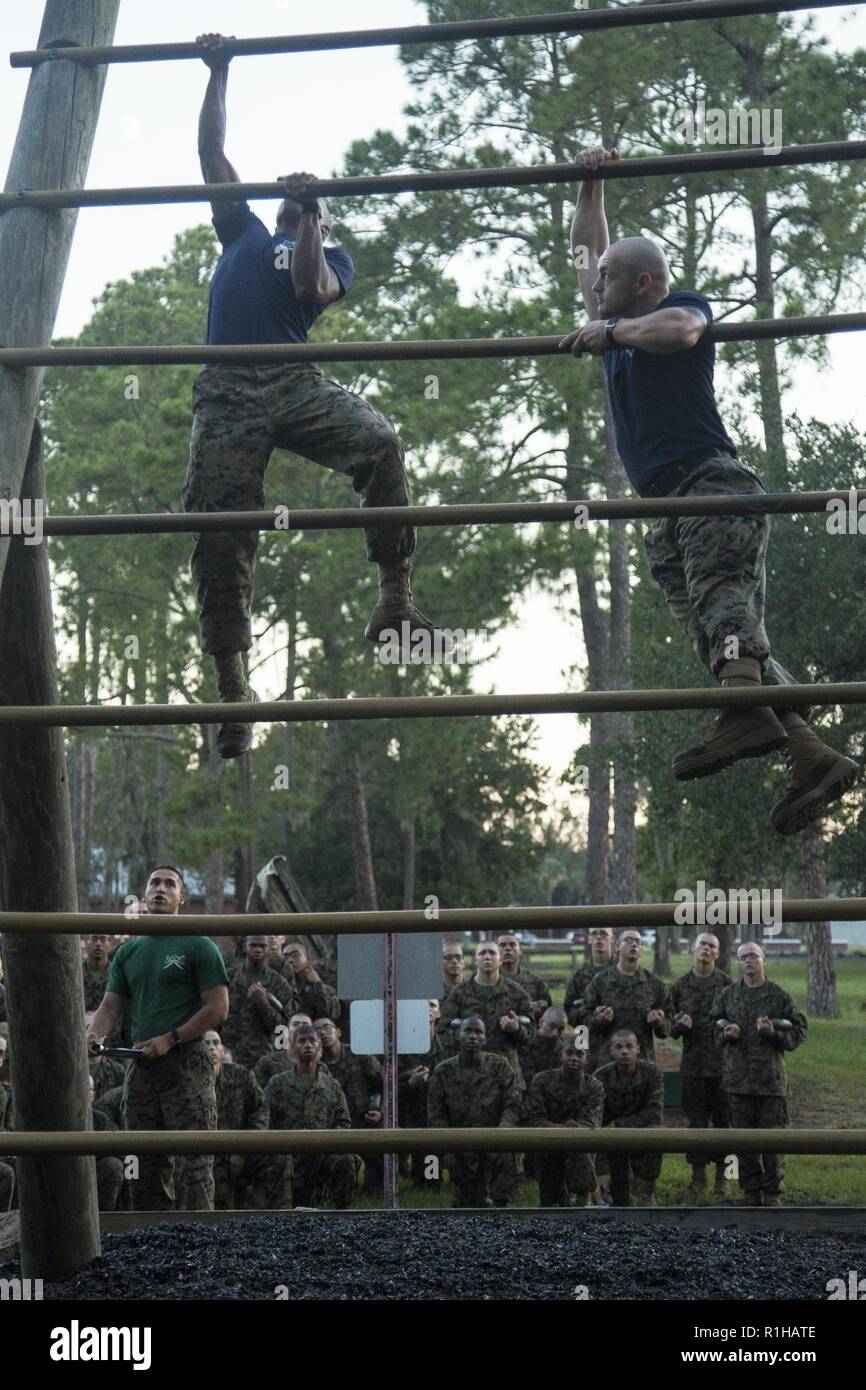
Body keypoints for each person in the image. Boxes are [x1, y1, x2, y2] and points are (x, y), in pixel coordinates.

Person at [562, 143, 858, 834]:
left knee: (726, 609)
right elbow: (585, 253)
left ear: (642, 282)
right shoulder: (613, 319)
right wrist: (589, 184)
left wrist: (609, 329)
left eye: (607, 280)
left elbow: (684, 330)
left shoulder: (671, 308)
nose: (592, 287)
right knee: (719, 632)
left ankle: (742, 718)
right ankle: (808, 752)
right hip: (664, 511)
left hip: (711, 485)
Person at [186, 31, 431, 759]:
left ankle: (395, 600)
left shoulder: (330, 253)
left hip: (293, 382)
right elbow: (209, 155)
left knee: (381, 442)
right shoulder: (241, 233)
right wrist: (219, 71)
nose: (292, 199)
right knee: (218, 526)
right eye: (292, 199)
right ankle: (234, 689)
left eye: (305, 202)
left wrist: (316, 210)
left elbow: (309, 288)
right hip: (228, 392)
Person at [87, 865, 229, 1211]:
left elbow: (218, 1008)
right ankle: (151, 1243)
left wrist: (171, 1038)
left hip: (188, 1063)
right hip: (141, 1067)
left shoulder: (199, 944)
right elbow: (110, 1005)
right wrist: (93, 1035)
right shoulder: (127, 953)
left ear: (182, 897)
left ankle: (200, 1246)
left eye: (170, 884)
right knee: (142, 1163)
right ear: (145, 894)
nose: (160, 889)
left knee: (194, 1166)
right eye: (154, 883)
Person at [712, 941, 807, 1206]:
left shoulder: (778, 996)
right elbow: (713, 1027)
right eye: (742, 957)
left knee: (773, 1140)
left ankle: (773, 1193)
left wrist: (773, 1034)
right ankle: (750, 1191)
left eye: (753, 956)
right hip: (738, 1082)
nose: (747, 961)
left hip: (770, 1082)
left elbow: (799, 1031)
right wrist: (725, 1034)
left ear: (763, 960)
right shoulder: (728, 995)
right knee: (744, 1141)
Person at [428, 1017, 523, 1208]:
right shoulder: (442, 1071)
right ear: (458, 1036)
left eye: (479, 1032)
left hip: (494, 1141)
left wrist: (503, 1131)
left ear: (485, 1039)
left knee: (502, 1171)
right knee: (467, 1204)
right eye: (468, 1031)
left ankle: (501, 1205)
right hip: (457, 1144)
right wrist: (447, 1149)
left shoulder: (501, 1067)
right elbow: (436, 1114)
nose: (473, 1036)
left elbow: (513, 1104)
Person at [264, 1024, 357, 1208]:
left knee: (346, 1160)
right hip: (286, 1154)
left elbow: (343, 1122)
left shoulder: (331, 1086)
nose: (308, 1045)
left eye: (312, 1041)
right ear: (293, 1047)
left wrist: (328, 1144)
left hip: (321, 1154)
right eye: (302, 1041)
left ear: (320, 1048)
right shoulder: (277, 1084)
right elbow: (266, 1119)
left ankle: (342, 1216)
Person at [670, 932, 732, 1198]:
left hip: (723, 1068)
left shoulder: (728, 985)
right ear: (693, 949)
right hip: (693, 1066)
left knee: (725, 1126)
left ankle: (725, 1178)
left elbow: (737, 1021)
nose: (706, 949)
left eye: (712, 946)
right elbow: (667, 1028)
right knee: (695, 1124)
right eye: (702, 944)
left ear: (717, 953)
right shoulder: (680, 986)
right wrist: (677, 1026)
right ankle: (698, 1178)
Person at [203, 1030, 285, 1209]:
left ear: (222, 1049)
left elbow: (260, 1109)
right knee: (220, 1193)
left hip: (243, 1149)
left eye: (215, 1043)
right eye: (206, 1043)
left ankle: (268, 1216)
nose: (211, 1048)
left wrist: (243, 1149)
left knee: (278, 1158)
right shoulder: (191, 1083)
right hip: (209, 1156)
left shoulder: (241, 1075)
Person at [522, 1035, 604, 1207]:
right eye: (569, 1053)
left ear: (586, 1058)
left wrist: (572, 1132)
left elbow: (591, 1122)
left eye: (579, 1054)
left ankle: (583, 1201)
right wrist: (561, 1129)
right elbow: (533, 1119)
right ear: (561, 1055)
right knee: (550, 1203)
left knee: (582, 1147)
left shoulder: (594, 1086)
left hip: (579, 1145)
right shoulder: (541, 1081)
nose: (574, 1058)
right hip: (547, 1144)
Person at [438, 940, 532, 1077]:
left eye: (492, 953)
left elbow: (532, 1033)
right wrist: (465, 1038)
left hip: (505, 1074)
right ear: (475, 960)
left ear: (500, 960)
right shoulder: (459, 993)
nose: (487, 957)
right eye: (482, 953)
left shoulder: (516, 993)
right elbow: (443, 1031)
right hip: (467, 1074)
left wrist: (516, 1030)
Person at [594, 1029, 664, 1206]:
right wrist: (602, 1169)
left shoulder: (652, 1072)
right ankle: (617, 1193)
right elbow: (597, 1123)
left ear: (638, 1049)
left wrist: (619, 1124)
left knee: (658, 1134)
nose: (624, 1051)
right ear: (611, 1051)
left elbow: (654, 1114)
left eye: (629, 1046)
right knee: (621, 1200)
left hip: (640, 1129)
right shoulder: (601, 1077)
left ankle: (647, 1190)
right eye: (618, 1047)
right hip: (611, 1137)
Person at [583, 929, 671, 1069]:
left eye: (638, 942)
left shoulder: (655, 984)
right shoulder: (600, 982)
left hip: (643, 1065)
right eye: (628, 940)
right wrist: (598, 1021)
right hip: (608, 1065)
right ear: (617, 946)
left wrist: (659, 1023)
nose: (634, 945)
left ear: (642, 949)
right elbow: (583, 1022)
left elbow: (667, 1029)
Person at [314, 1016, 383, 1192]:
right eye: (317, 1030)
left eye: (326, 1027)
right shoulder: (314, 1064)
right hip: (332, 1126)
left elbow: (384, 1086)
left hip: (365, 1121)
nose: (322, 1033)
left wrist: (380, 1111)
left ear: (338, 1031)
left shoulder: (360, 1056)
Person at [221, 934, 297, 1069]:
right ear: (245, 947)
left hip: (263, 1058)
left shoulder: (279, 984)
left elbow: (282, 1028)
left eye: (262, 946)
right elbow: (214, 1013)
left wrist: (263, 1004)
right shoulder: (227, 978)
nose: (258, 950)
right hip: (229, 1056)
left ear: (269, 949)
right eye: (253, 945)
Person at [398, 1000, 448, 1187]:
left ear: (439, 1013)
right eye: (422, 1005)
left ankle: (432, 1179)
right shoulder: (403, 1048)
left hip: (441, 1110)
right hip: (411, 1110)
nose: (428, 1009)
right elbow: (391, 1088)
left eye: (432, 1005)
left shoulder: (448, 1046)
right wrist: (411, 1083)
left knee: (432, 1161)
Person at [563, 927, 614, 1026]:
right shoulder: (579, 976)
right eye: (594, 934)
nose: (599, 937)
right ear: (589, 939)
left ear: (612, 939)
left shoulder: (622, 971)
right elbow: (569, 1013)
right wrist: (593, 1016)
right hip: (588, 1037)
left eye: (603, 933)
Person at [496, 933, 552, 1017]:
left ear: (520, 951)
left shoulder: (535, 982)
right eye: (502, 945)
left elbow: (549, 1015)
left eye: (512, 945)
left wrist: (538, 1010)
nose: (507, 948)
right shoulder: (486, 980)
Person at [282, 942, 340, 1022]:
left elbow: (333, 1014)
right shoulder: (279, 985)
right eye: (286, 957)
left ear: (307, 958)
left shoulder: (323, 987)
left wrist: (317, 983)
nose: (290, 960)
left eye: (295, 955)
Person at [254, 1012, 313, 1088]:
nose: (300, 1028)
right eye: (295, 1024)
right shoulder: (267, 1063)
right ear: (287, 1032)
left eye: (305, 1025)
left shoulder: (319, 1066)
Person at [520, 1007, 569, 1088]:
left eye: (561, 1029)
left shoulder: (564, 1049)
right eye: (552, 1026)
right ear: (541, 1022)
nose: (555, 1034)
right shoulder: (525, 1044)